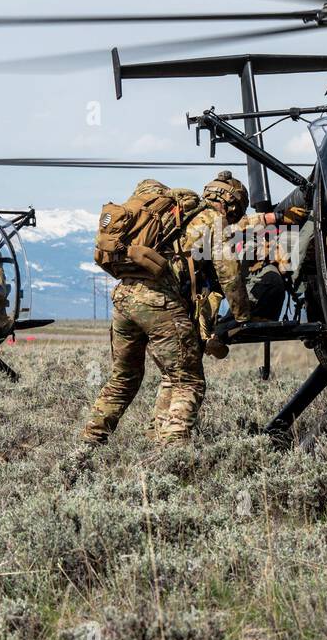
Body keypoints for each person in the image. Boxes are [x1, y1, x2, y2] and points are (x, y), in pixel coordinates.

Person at [80, 172, 250, 446]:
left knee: (124, 379)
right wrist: (243, 315)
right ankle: (173, 454)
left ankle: (90, 443)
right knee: (189, 381)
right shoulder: (210, 220)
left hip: (124, 298)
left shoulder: (173, 214)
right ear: (231, 205)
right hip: (159, 302)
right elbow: (228, 273)